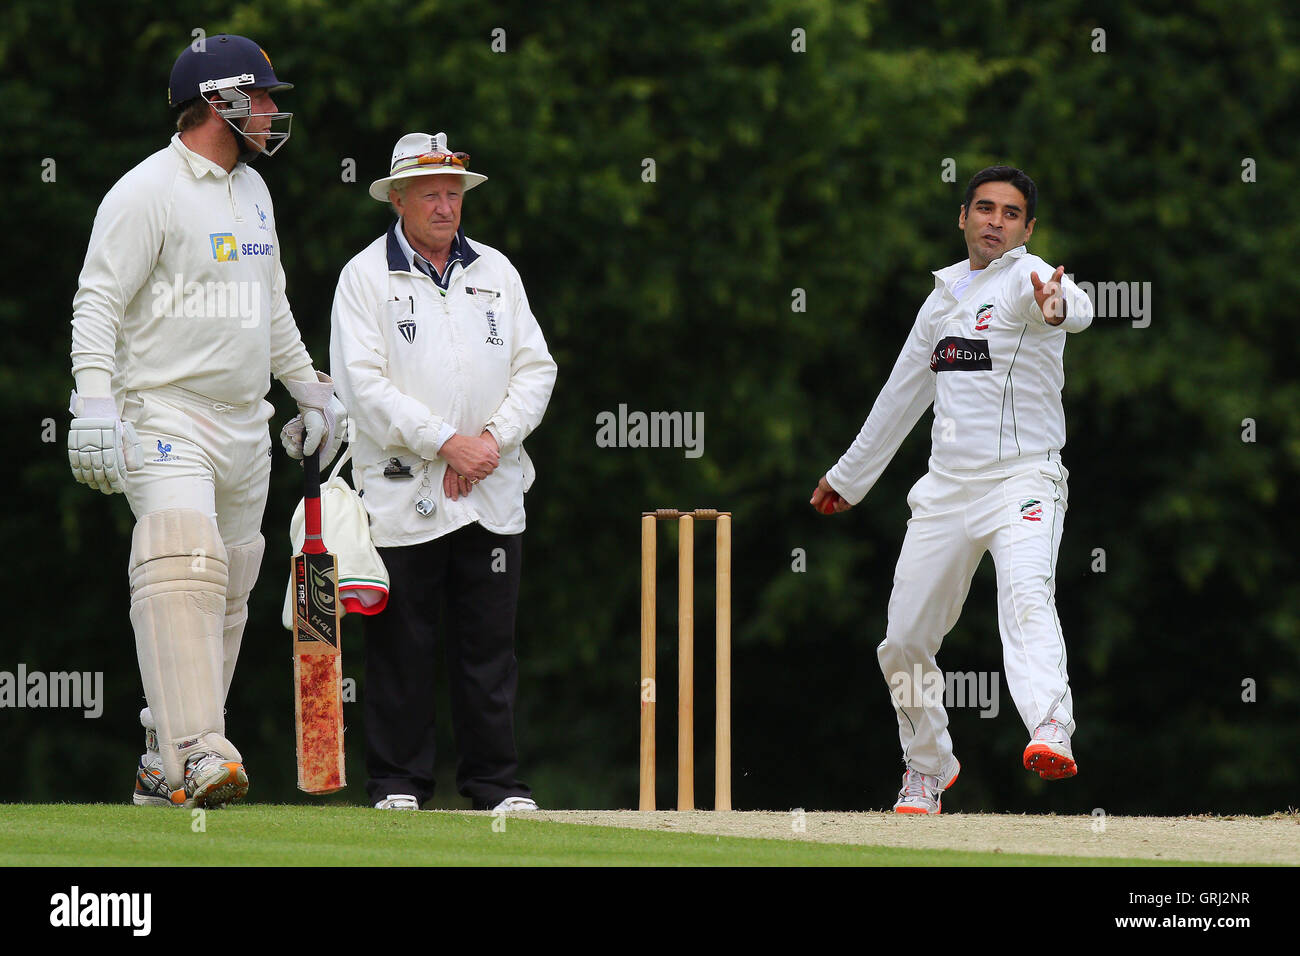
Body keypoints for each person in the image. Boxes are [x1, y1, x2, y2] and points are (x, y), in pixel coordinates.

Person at [68, 34, 345, 809]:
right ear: (219, 101)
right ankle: (198, 749)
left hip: (243, 422)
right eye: (260, 97)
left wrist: (309, 391)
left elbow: (272, 304)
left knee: (229, 581)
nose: (270, 111)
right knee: (182, 561)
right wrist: (93, 400)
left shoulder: (252, 192)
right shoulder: (144, 192)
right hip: (164, 411)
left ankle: (164, 756)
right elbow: (97, 302)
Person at [810, 165, 1093, 814]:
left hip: (1024, 479)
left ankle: (1050, 727)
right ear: (962, 218)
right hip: (945, 493)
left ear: (1027, 229)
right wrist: (849, 477)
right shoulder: (938, 304)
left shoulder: (1028, 278)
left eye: (1011, 213)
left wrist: (1061, 307)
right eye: (984, 208)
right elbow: (900, 396)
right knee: (903, 638)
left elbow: (1068, 302)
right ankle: (927, 767)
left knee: (1025, 594)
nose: (996, 220)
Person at [328, 132, 557, 812]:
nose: (444, 206)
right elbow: (362, 387)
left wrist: (488, 441)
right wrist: (445, 444)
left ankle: (493, 784)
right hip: (404, 491)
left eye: (453, 193)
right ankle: (398, 783)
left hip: (492, 485)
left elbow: (536, 369)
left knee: (488, 649)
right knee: (403, 645)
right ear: (396, 199)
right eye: (429, 193)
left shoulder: (497, 272)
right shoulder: (365, 277)